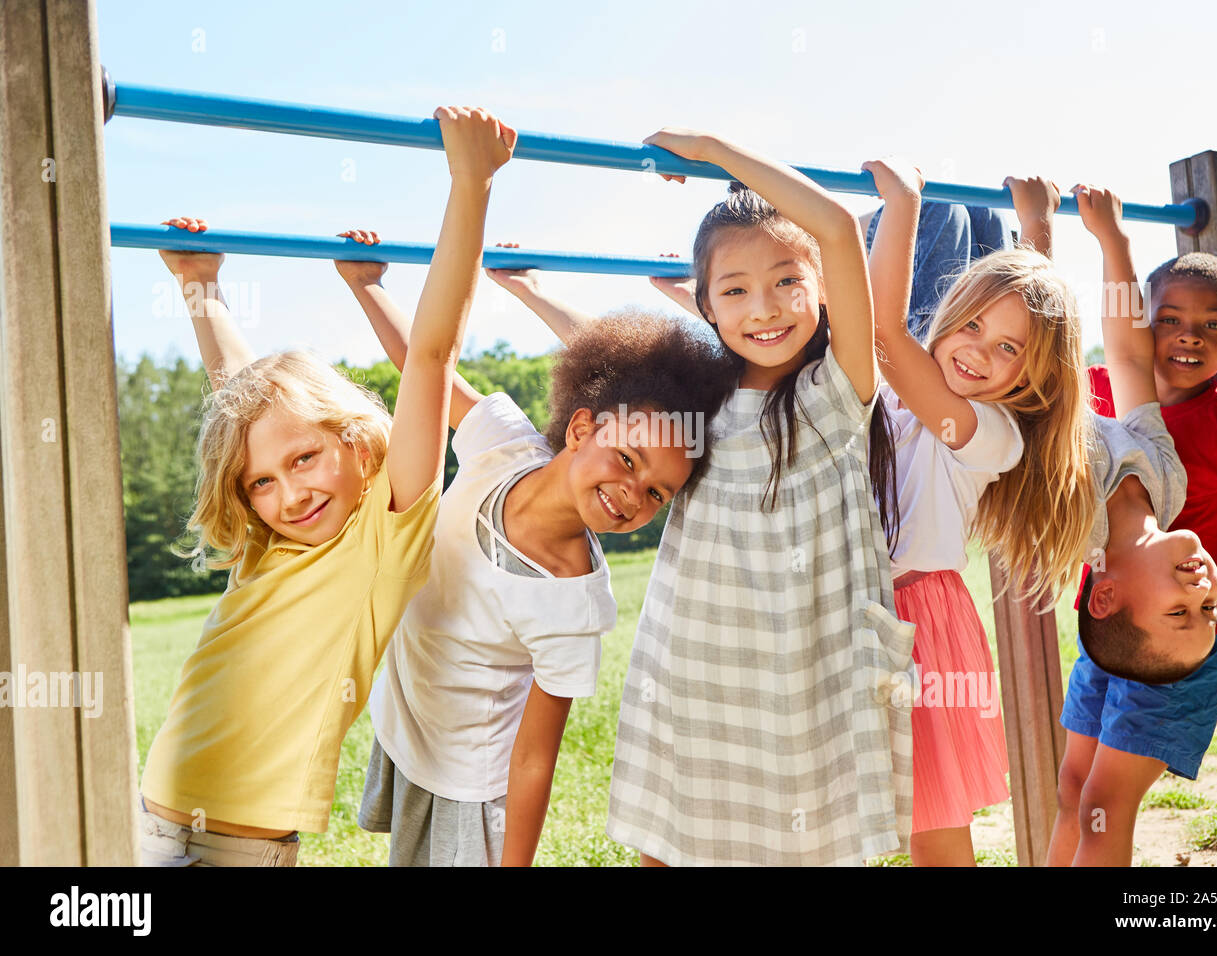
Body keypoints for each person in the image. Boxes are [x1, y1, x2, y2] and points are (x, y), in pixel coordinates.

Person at [136, 106, 516, 866]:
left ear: (353, 437)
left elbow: (433, 357)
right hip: (146, 819)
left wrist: (469, 181)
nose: (288, 493)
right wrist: (202, 290)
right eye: (263, 482)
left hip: (234, 848)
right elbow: (241, 396)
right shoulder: (266, 544)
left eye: (305, 459)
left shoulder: (384, 533)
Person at [333, 231, 734, 866]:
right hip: (411, 719)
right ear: (582, 427)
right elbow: (426, 365)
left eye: (657, 493)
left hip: (472, 778)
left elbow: (534, 756)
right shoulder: (505, 443)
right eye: (628, 459)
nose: (633, 493)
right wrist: (366, 283)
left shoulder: (573, 602)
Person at [601, 127, 914, 866]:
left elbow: (836, 229)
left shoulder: (836, 392)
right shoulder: (696, 407)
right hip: (705, 658)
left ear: (824, 290)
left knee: (815, 838)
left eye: (786, 282)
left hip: (815, 662)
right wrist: (526, 290)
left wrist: (717, 152)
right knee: (676, 836)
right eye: (735, 291)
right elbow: (600, 356)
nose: (764, 307)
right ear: (705, 306)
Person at [863, 161, 1094, 865]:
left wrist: (902, 205)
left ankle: (930, 212)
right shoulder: (909, 393)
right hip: (863, 606)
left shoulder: (990, 430)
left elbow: (884, 335)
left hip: (917, 625)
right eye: (968, 326)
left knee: (930, 826)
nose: (978, 351)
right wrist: (1036, 228)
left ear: (1029, 373)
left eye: (1005, 350)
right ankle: (986, 229)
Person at [1053, 210, 1217, 866]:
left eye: (1212, 326)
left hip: (1184, 638)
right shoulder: (1108, 394)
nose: (1190, 338)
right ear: (1145, 321)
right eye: (1170, 320)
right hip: (1109, 622)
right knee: (1073, 790)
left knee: (1105, 803)